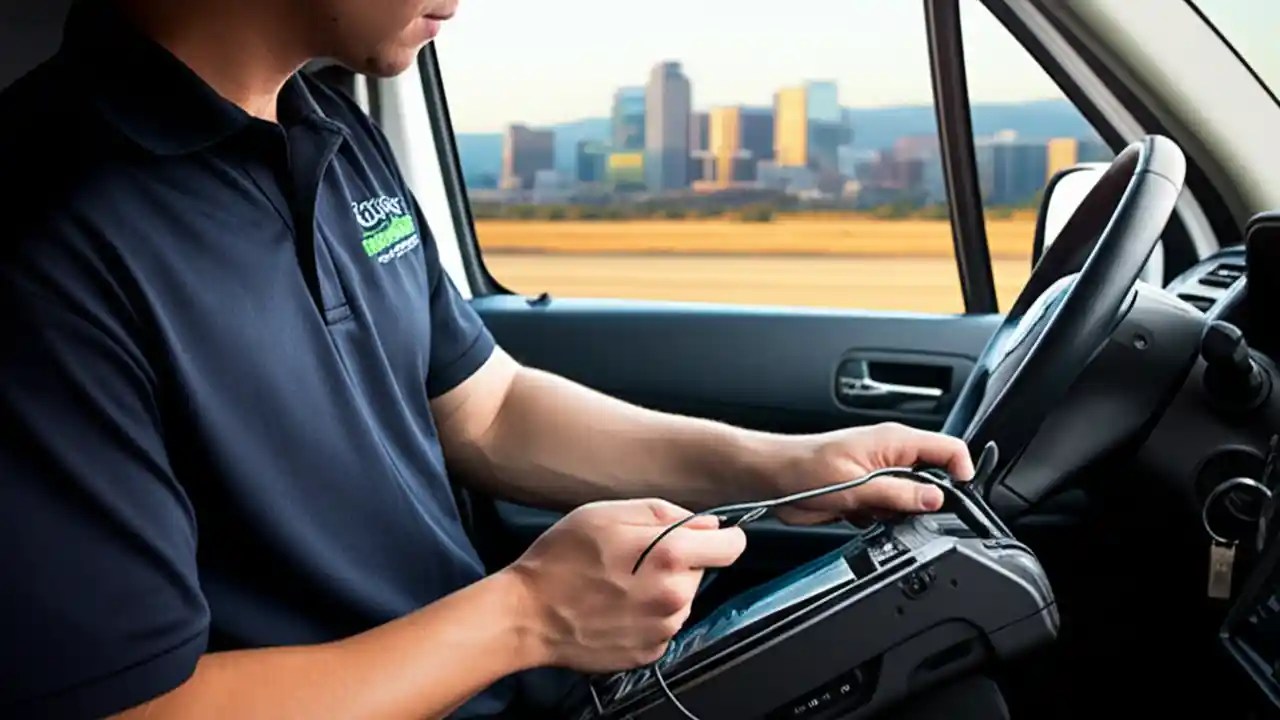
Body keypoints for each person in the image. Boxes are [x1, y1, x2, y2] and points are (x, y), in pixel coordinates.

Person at [0, 1, 976, 718]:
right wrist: (528, 617)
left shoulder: (325, 129)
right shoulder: (45, 235)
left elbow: (484, 407)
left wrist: (777, 468)